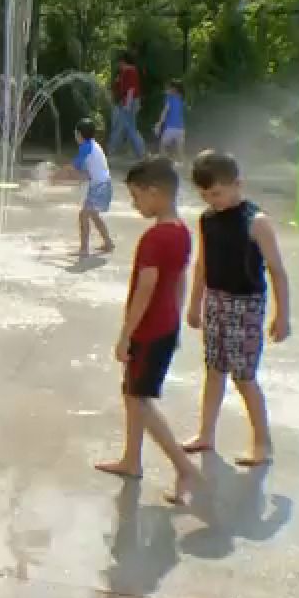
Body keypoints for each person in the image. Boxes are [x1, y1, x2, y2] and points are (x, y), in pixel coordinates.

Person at [94, 157, 202, 505]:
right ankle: (131, 459)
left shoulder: (155, 238)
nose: (135, 204)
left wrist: (126, 334)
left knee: (140, 401)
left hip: (148, 330)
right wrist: (177, 317)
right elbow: (178, 282)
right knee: (132, 393)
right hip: (164, 326)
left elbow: (145, 289)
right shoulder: (182, 232)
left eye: (136, 196)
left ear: (154, 193)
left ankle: (183, 466)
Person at [182, 150, 291, 466]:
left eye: (216, 193)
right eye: (205, 195)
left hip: (246, 306)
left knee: (244, 377)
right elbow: (202, 263)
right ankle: (206, 433)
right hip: (216, 300)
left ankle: (262, 442)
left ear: (237, 184)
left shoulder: (256, 222)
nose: (211, 200)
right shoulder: (207, 219)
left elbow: (277, 271)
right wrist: (194, 304)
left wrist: (282, 316)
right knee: (214, 370)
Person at [51, 118, 115, 257]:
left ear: (79, 134)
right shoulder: (93, 145)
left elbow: (72, 168)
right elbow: (84, 174)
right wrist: (62, 178)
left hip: (100, 187)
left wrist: (56, 176)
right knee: (93, 215)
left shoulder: (86, 147)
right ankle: (108, 243)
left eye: (75, 133)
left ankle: (84, 249)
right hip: (103, 185)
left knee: (84, 214)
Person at [108, 50, 146, 159]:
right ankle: (139, 152)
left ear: (122, 61)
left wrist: (127, 105)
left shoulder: (130, 71)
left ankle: (112, 151)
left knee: (126, 127)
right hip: (128, 102)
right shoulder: (124, 72)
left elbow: (131, 89)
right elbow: (121, 87)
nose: (118, 65)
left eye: (118, 63)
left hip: (130, 102)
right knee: (129, 127)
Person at [154, 79, 187, 161]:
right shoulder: (181, 99)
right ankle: (188, 169)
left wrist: (159, 123)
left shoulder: (169, 98)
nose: (167, 89)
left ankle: (165, 164)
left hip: (171, 128)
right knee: (180, 152)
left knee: (162, 146)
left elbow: (165, 111)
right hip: (181, 128)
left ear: (173, 89)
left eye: (169, 87)